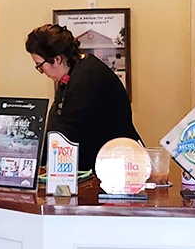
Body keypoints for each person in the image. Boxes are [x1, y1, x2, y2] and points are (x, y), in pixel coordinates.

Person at [25, 23, 141, 171]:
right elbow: (56, 120)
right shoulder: (73, 73)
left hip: (117, 166)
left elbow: (68, 131)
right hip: (98, 162)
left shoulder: (88, 77)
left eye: (39, 66)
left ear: (57, 59)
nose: (41, 71)